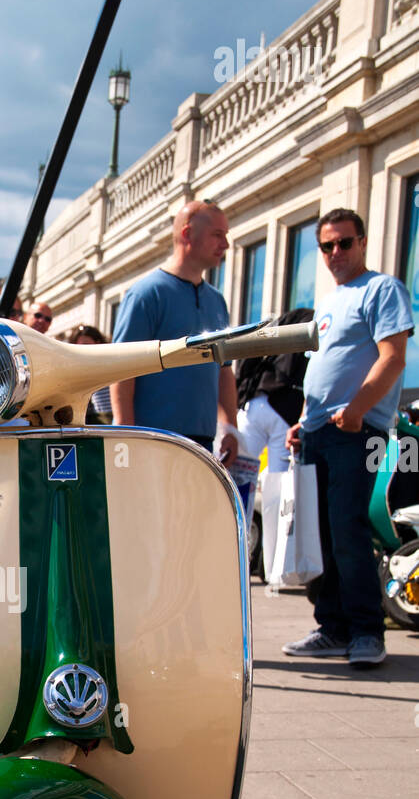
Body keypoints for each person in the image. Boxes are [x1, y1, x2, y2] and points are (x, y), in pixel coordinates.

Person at [282, 209, 413, 668]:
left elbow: (393, 357)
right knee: (322, 537)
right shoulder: (328, 301)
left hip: (355, 432)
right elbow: (321, 368)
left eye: (344, 243)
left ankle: (365, 632)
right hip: (318, 432)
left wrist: (357, 410)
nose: (335, 252)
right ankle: (332, 628)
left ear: (361, 243)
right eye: (326, 246)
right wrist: (302, 419)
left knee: (348, 532)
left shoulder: (382, 289)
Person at [109, 200, 239, 466]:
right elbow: (120, 369)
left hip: (202, 446)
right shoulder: (146, 294)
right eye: (217, 235)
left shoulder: (217, 301)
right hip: (151, 442)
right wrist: (126, 435)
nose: (225, 244)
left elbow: (224, 370)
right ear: (187, 234)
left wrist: (231, 428)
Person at [235, 307, 314, 578]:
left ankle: (233, 554)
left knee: (237, 482)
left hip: (253, 403)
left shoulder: (276, 332)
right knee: (278, 490)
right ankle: (277, 567)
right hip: (286, 409)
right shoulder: (311, 326)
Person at [71, 324, 113, 423]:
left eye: (86, 345)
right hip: (96, 423)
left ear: (97, 343)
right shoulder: (77, 371)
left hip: (112, 421)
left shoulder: (110, 364)